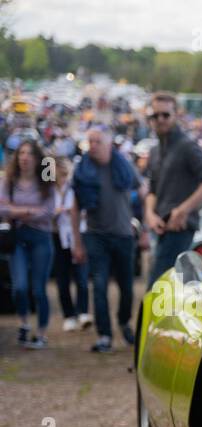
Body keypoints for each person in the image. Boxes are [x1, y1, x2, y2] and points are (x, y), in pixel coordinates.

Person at [71, 126, 140, 354]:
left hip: (123, 235)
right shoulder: (82, 171)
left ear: (109, 144)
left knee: (127, 287)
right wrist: (77, 242)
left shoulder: (124, 167)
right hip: (96, 235)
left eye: (98, 141)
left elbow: (143, 191)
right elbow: (75, 207)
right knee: (99, 286)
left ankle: (123, 322)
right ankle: (104, 334)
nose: (93, 146)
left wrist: (146, 227)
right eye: (90, 141)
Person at [144, 92, 202, 289]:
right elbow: (152, 189)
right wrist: (150, 214)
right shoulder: (154, 150)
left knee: (157, 289)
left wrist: (183, 210)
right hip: (160, 228)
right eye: (155, 115)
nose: (160, 120)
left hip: (179, 229)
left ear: (176, 115)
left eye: (165, 115)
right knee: (164, 290)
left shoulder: (187, 146)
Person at [2, 139, 57, 349]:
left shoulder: (46, 179)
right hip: (18, 238)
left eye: (29, 154)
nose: (24, 157)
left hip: (41, 238)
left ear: (37, 158)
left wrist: (16, 211)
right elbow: (2, 209)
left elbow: (49, 211)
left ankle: (41, 332)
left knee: (39, 289)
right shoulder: (9, 180)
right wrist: (28, 211)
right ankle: (24, 322)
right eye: (21, 153)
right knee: (20, 287)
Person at [52, 157, 90, 333]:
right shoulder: (48, 190)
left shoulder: (76, 188)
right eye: (59, 167)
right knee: (62, 279)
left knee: (81, 276)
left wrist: (73, 212)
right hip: (57, 237)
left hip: (77, 235)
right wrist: (56, 213)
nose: (62, 171)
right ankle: (69, 315)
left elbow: (87, 211)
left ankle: (83, 311)